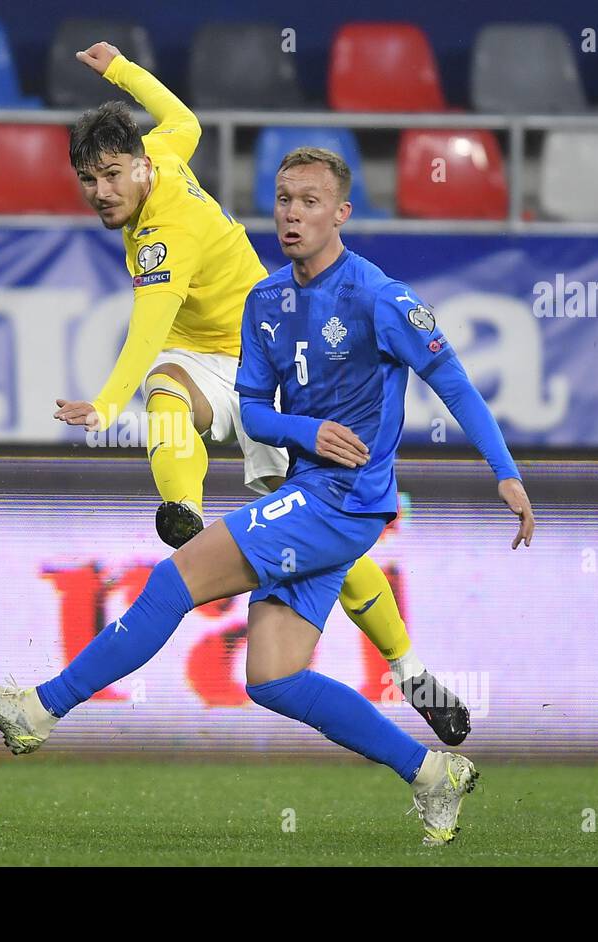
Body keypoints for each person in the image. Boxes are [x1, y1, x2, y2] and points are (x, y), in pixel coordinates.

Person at [0, 143, 536, 846]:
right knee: (272, 675)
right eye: (285, 200)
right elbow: (254, 411)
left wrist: (504, 471)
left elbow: (455, 383)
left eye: (310, 203)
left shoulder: (381, 299)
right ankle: (429, 773)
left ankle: (40, 709)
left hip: (344, 500)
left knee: (175, 581)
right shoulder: (265, 300)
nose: (293, 215)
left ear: (341, 213)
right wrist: (308, 430)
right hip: (312, 485)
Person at [52, 41, 469, 742]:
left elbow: (149, 326)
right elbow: (183, 116)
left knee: (324, 542)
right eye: (90, 179)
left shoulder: (165, 236)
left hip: (268, 367)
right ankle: (181, 511)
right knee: (168, 393)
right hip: (213, 353)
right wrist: (121, 71)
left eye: (113, 174)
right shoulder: (169, 154)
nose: (102, 192)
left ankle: (410, 668)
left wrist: (103, 400)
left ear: (142, 166)